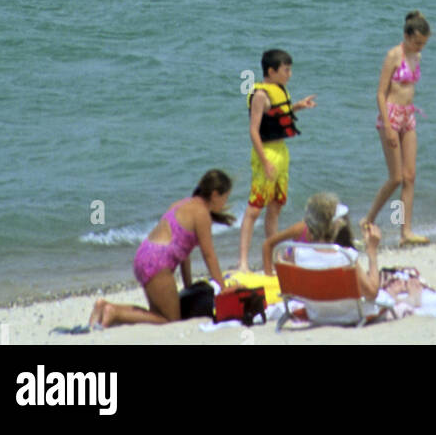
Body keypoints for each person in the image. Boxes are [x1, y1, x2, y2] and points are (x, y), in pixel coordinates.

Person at [88, 169, 234, 327]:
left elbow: (185, 255)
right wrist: (223, 287)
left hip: (143, 256)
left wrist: (188, 286)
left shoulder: (181, 204)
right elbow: (209, 255)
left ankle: (103, 307)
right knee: (170, 320)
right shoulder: (202, 214)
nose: (224, 203)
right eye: (225, 198)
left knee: (155, 315)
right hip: (158, 263)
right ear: (214, 195)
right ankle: (113, 312)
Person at [238, 49, 316, 270]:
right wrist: (264, 161)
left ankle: (271, 259)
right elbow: (253, 131)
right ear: (271, 71)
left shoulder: (279, 90)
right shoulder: (260, 95)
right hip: (267, 153)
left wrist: (299, 106)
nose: (289, 74)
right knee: (254, 209)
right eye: (286, 70)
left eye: (290, 69)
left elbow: (279, 113)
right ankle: (242, 262)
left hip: (281, 152)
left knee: (275, 206)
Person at [363, 10, 431, 246]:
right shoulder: (394, 55)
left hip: (409, 114)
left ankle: (406, 232)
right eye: (416, 42)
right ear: (406, 36)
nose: (420, 47)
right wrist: (389, 127)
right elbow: (380, 94)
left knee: (410, 176)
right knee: (396, 177)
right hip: (390, 115)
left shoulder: (417, 57)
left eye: (423, 43)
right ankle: (368, 220)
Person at [261, 192, 351, 276]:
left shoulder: (335, 231)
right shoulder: (302, 228)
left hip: (305, 269)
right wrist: (269, 276)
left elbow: (268, 244)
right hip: (296, 262)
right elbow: (268, 244)